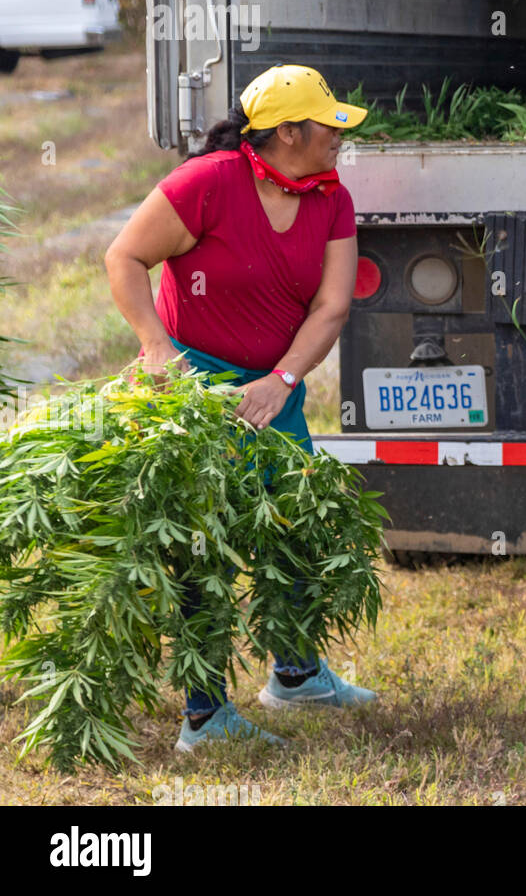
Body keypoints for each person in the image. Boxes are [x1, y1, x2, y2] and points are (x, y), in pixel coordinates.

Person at [105, 64, 379, 751]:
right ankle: (203, 716)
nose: (339, 134)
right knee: (207, 548)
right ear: (287, 133)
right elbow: (124, 257)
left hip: (274, 390)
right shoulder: (209, 183)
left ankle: (295, 673)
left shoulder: (331, 197)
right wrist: (158, 352)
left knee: (294, 532)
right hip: (198, 394)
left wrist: (282, 380)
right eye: (326, 124)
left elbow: (332, 305)